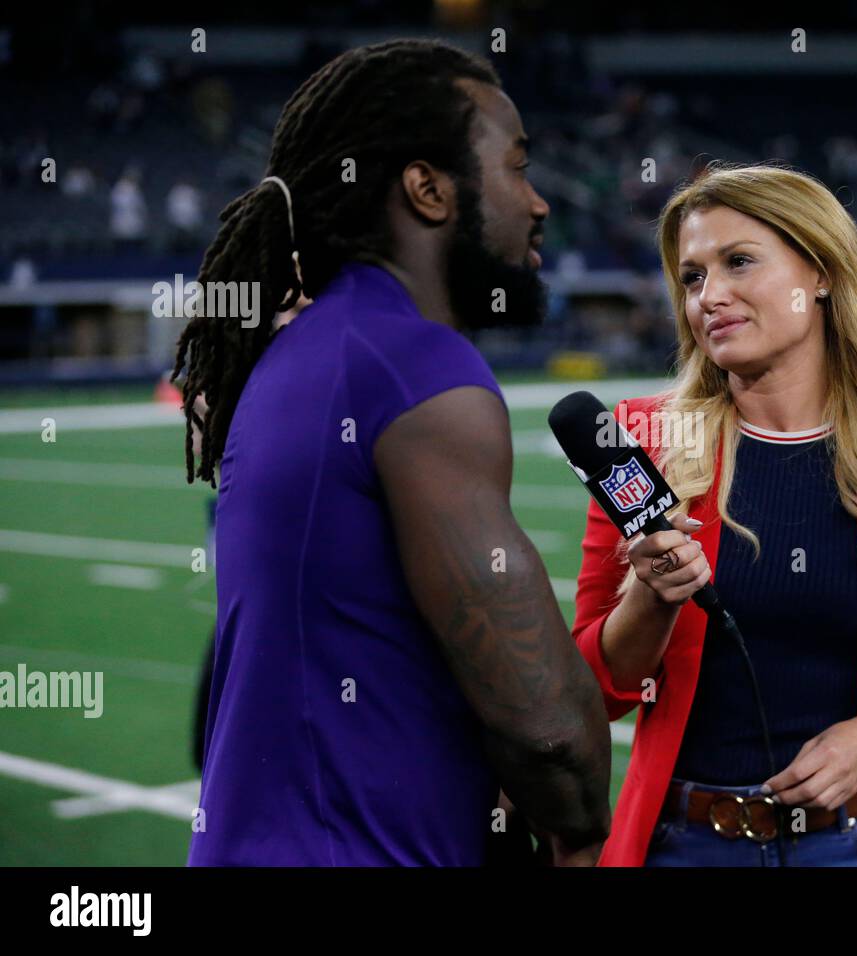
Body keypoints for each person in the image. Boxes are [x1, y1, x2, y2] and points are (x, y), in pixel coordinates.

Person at [173, 38, 610, 866]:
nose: (540, 202)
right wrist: (579, 827)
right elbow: (549, 731)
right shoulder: (415, 364)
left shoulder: (300, 354)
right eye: (516, 167)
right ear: (428, 189)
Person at [571, 163, 857, 866]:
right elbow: (593, 692)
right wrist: (650, 599)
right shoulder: (644, 445)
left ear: (819, 273)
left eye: (739, 263)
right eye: (692, 278)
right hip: (684, 844)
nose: (709, 297)